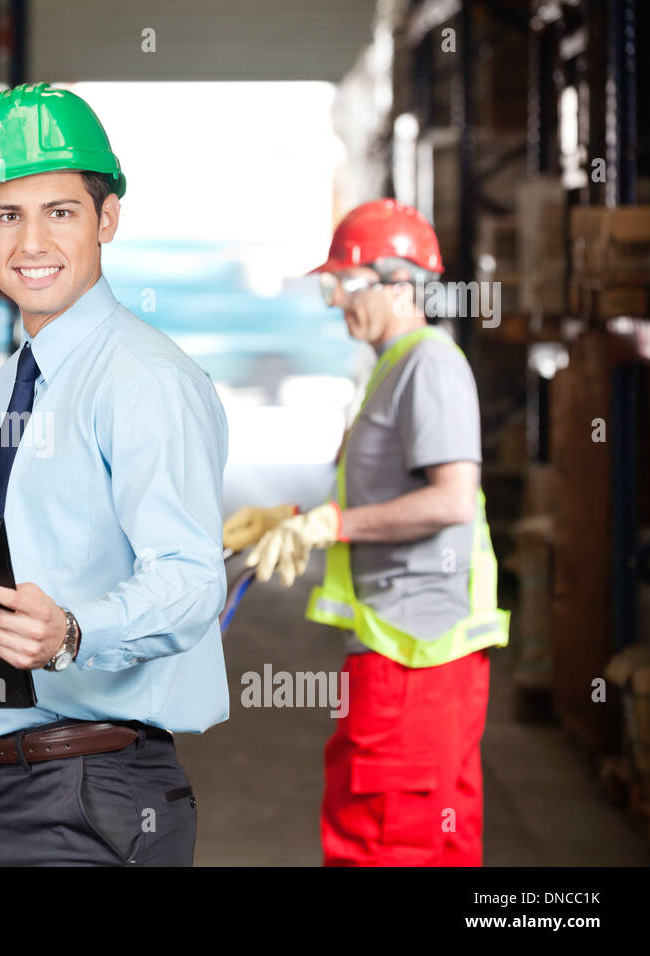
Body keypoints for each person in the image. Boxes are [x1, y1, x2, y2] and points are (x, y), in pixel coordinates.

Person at [0, 83, 229, 866]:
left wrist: (71, 632)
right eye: (7, 215)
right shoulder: (2, 393)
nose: (32, 242)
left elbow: (194, 579)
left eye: (59, 212)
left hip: (89, 790)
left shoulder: (145, 380)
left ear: (108, 219)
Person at [229, 198, 509, 866]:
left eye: (345, 285)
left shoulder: (428, 365)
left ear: (400, 281)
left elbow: (451, 500)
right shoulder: (389, 367)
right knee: (439, 841)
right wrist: (296, 519)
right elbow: (386, 491)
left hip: (415, 654)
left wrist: (333, 524)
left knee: (382, 840)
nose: (335, 302)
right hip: (409, 651)